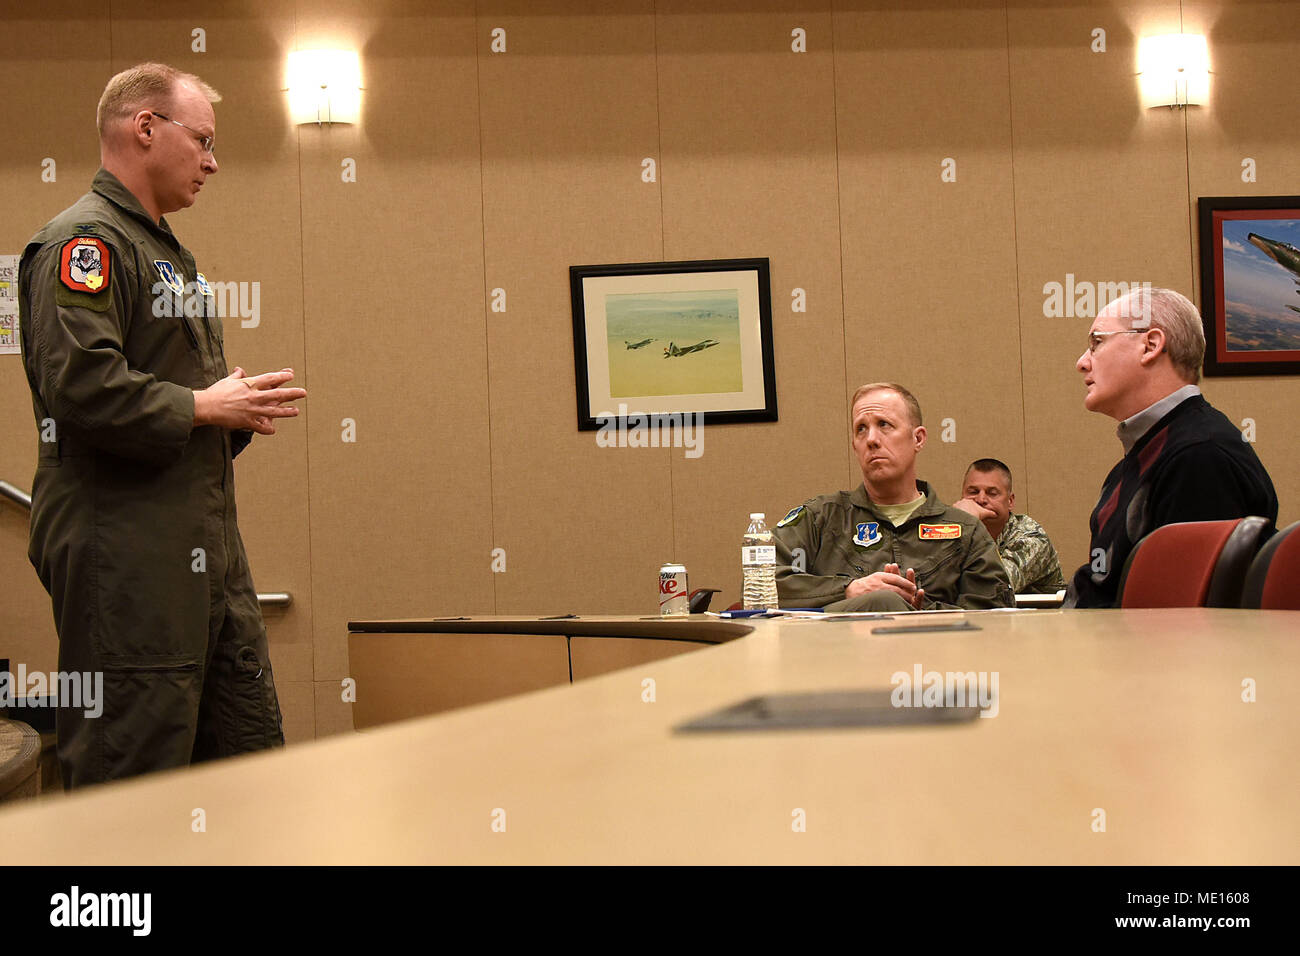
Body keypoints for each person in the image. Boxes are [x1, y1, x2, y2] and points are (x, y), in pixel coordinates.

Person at [18, 63, 307, 788]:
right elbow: (81, 387)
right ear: (145, 128)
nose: (213, 161)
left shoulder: (168, 254)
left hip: (201, 550)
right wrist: (207, 406)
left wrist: (227, 407)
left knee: (240, 761)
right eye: (203, 140)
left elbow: (173, 397)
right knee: (134, 772)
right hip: (129, 559)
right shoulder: (83, 245)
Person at [1067, 287, 1277, 607]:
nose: (1082, 363)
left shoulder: (1200, 456)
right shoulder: (1155, 453)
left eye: (1097, 342)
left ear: (1150, 345)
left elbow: (1185, 623)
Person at [773, 383, 1013, 611]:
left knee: (885, 602)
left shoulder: (966, 531)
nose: (872, 439)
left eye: (884, 424)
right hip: (841, 651)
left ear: (917, 439)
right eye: (861, 429)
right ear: (854, 446)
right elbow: (761, 587)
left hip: (935, 652)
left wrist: (917, 613)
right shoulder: (820, 519)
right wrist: (848, 590)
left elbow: (992, 621)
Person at [953, 458, 1065, 594]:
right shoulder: (951, 530)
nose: (980, 499)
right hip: (975, 613)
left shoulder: (1031, 537)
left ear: (1010, 501)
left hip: (1037, 614)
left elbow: (994, 587)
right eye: (973, 492)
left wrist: (969, 525)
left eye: (992, 493)